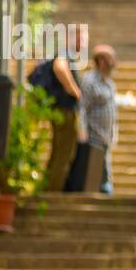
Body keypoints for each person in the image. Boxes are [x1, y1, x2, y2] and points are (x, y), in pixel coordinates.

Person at [76, 45, 136, 195]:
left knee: (105, 172)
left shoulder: (109, 83)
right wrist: (82, 129)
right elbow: (82, 107)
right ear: (102, 61)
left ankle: (106, 193)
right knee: (95, 174)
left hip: (106, 137)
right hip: (93, 137)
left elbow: (111, 102)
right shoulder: (90, 81)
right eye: (112, 59)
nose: (115, 62)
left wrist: (127, 101)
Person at [41, 50, 83, 192]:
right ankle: (52, 193)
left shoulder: (66, 54)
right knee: (64, 154)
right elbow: (59, 67)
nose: (83, 41)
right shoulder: (65, 53)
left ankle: (47, 189)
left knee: (59, 152)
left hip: (60, 110)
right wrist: (75, 91)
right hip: (65, 111)